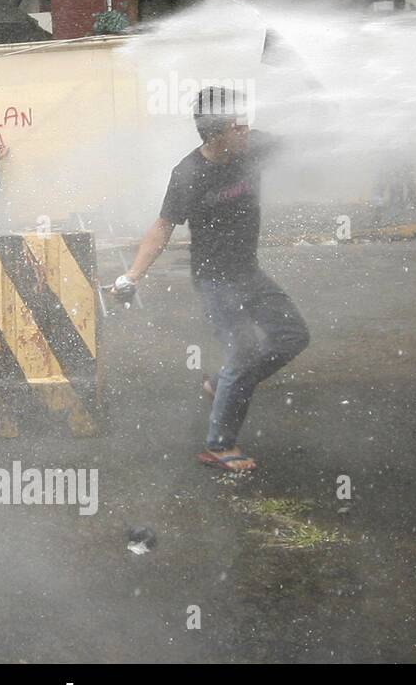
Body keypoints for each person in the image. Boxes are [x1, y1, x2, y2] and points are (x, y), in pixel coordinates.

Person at [113, 86, 309, 473]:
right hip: (215, 280)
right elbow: (163, 226)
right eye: (239, 126)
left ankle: (222, 383)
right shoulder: (189, 174)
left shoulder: (253, 146)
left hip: (248, 271)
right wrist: (132, 275)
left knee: (293, 336)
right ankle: (219, 446)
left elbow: (301, 144)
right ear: (216, 132)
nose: (248, 131)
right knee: (244, 353)